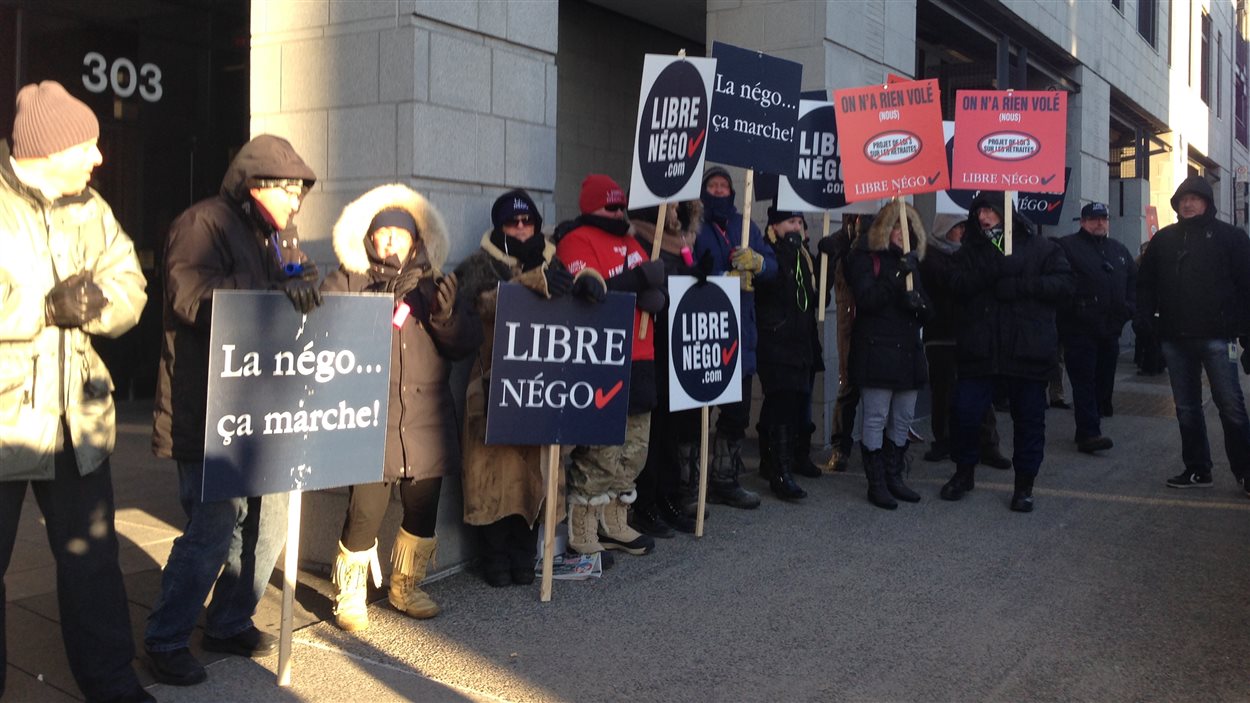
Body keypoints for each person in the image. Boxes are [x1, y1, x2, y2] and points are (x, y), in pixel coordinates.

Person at [147, 134, 321, 685]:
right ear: (257, 185)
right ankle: (167, 637)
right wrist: (271, 291)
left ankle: (229, 619)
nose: (296, 202)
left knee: (269, 523)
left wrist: (304, 283)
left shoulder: (278, 238)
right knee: (214, 527)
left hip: (262, 410)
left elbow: (302, 286)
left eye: (299, 191)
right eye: (289, 190)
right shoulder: (203, 224)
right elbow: (187, 295)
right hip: (206, 408)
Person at [0, 80, 152, 703]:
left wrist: (97, 308)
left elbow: (131, 282)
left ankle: (112, 684)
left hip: (78, 421)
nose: (98, 158)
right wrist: (41, 307)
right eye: (87, 145)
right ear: (49, 149)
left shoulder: (92, 209)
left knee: (93, 563)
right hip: (6, 419)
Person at [323, 184, 480, 627]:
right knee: (364, 510)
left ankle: (406, 584)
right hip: (371, 420)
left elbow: (465, 342)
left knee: (422, 506)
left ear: (416, 239)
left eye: (400, 233)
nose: (390, 241)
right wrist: (381, 298)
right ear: (369, 239)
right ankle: (351, 591)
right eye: (382, 233)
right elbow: (326, 334)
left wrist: (446, 317)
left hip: (426, 418)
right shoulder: (347, 279)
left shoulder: (434, 285)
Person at [456, 189, 574, 585]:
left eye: (528, 222)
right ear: (499, 227)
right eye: (512, 222)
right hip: (492, 386)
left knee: (532, 476)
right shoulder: (479, 265)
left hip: (541, 387)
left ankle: (524, 555)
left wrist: (587, 289)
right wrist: (534, 283)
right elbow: (484, 305)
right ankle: (494, 557)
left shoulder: (558, 263)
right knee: (492, 477)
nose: (521, 229)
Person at [554, 174, 666, 559]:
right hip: (603, 358)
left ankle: (615, 521)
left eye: (621, 205)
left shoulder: (633, 240)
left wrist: (657, 295)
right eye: (609, 206)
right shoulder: (576, 240)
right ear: (590, 207)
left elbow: (649, 286)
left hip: (642, 355)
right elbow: (589, 289)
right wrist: (636, 280)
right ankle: (583, 527)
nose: (618, 212)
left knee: (634, 449)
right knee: (600, 450)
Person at [940, 192, 1074, 512]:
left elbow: (1064, 285)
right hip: (980, 350)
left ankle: (1024, 484)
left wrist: (1023, 285)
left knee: (1029, 420)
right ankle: (964, 472)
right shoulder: (969, 252)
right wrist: (988, 269)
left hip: (1026, 350)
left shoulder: (1043, 249)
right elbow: (953, 286)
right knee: (965, 413)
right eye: (979, 211)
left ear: (1006, 212)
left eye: (991, 210)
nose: (985, 217)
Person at [1136, 176, 1250, 491]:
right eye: (1182, 199)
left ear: (1207, 203)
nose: (1187, 203)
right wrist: (1145, 323)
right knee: (1186, 408)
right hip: (1175, 339)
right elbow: (1145, 284)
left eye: (1194, 198)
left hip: (1219, 339)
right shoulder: (1164, 240)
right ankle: (1198, 470)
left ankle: (1247, 471)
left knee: (1231, 405)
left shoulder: (1231, 238)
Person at [692, 166, 777, 509]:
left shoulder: (747, 227)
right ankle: (692, 484)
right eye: (712, 185)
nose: (718, 190)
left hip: (741, 337)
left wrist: (758, 262)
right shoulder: (694, 226)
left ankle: (726, 479)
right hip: (705, 336)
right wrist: (721, 278)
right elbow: (688, 269)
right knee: (697, 415)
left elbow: (772, 267)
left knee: (736, 414)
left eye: (723, 185)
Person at [845, 201, 931, 510]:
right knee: (876, 417)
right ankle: (877, 483)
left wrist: (918, 304)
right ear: (885, 229)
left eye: (907, 228)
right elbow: (867, 299)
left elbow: (927, 311)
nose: (901, 233)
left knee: (903, 418)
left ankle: (895, 477)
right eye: (896, 227)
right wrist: (897, 274)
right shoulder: (866, 259)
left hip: (908, 354)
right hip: (877, 352)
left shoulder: (911, 263)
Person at [628, 199, 701, 535]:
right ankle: (645, 505)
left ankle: (668, 497)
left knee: (671, 426)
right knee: (652, 428)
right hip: (651, 341)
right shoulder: (640, 238)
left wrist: (700, 278)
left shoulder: (684, 242)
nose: (675, 215)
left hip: (678, 341)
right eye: (669, 209)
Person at [919, 214, 1013, 470]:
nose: (961, 232)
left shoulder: (969, 254)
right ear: (943, 230)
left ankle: (988, 444)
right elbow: (953, 284)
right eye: (956, 227)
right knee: (943, 391)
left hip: (970, 332)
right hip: (941, 333)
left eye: (963, 227)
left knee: (980, 391)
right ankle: (944, 440)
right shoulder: (930, 258)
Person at [754, 205, 823, 500]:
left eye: (799, 222)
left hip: (800, 343)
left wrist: (824, 260)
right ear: (775, 226)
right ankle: (781, 472)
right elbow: (771, 282)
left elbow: (819, 296)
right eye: (790, 222)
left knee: (786, 404)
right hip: (776, 342)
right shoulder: (769, 252)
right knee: (781, 404)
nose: (796, 227)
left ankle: (771, 462)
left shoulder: (803, 256)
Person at [1056, 202, 1136, 453]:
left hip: (1110, 329)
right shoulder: (1067, 246)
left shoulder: (1119, 250)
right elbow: (1060, 283)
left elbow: (1134, 283)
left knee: (1103, 382)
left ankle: (1089, 426)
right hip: (1080, 330)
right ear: (1082, 222)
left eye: (1103, 218)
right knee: (1084, 382)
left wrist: (1127, 310)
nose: (1099, 223)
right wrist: (1074, 311)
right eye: (1093, 219)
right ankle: (1090, 433)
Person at [817, 214, 865, 473]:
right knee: (848, 383)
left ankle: (883, 449)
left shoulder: (883, 225)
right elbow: (830, 250)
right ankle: (840, 447)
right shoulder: (844, 236)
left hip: (875, 318)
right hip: (849, 316)